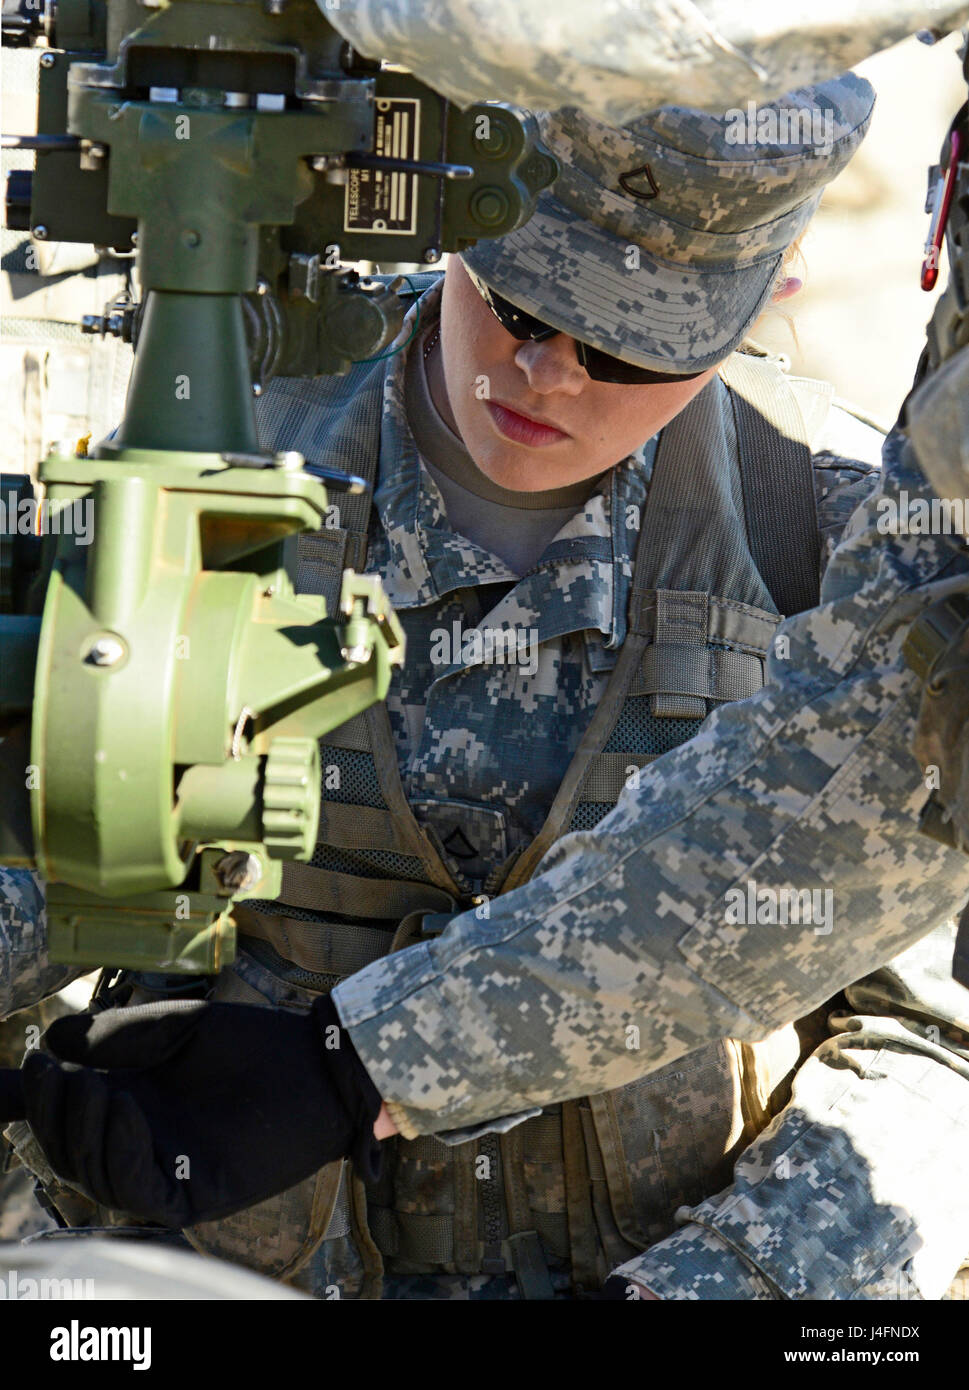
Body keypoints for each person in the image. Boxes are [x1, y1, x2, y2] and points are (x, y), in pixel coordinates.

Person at [4, 69, 969, 1301]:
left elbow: (934, 1041)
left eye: (627, 344)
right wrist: (56, 1265)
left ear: (750, 310)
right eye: (517, 305)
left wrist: (715, 1289)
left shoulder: (839, 547)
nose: (551, 372)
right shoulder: (198, 467)